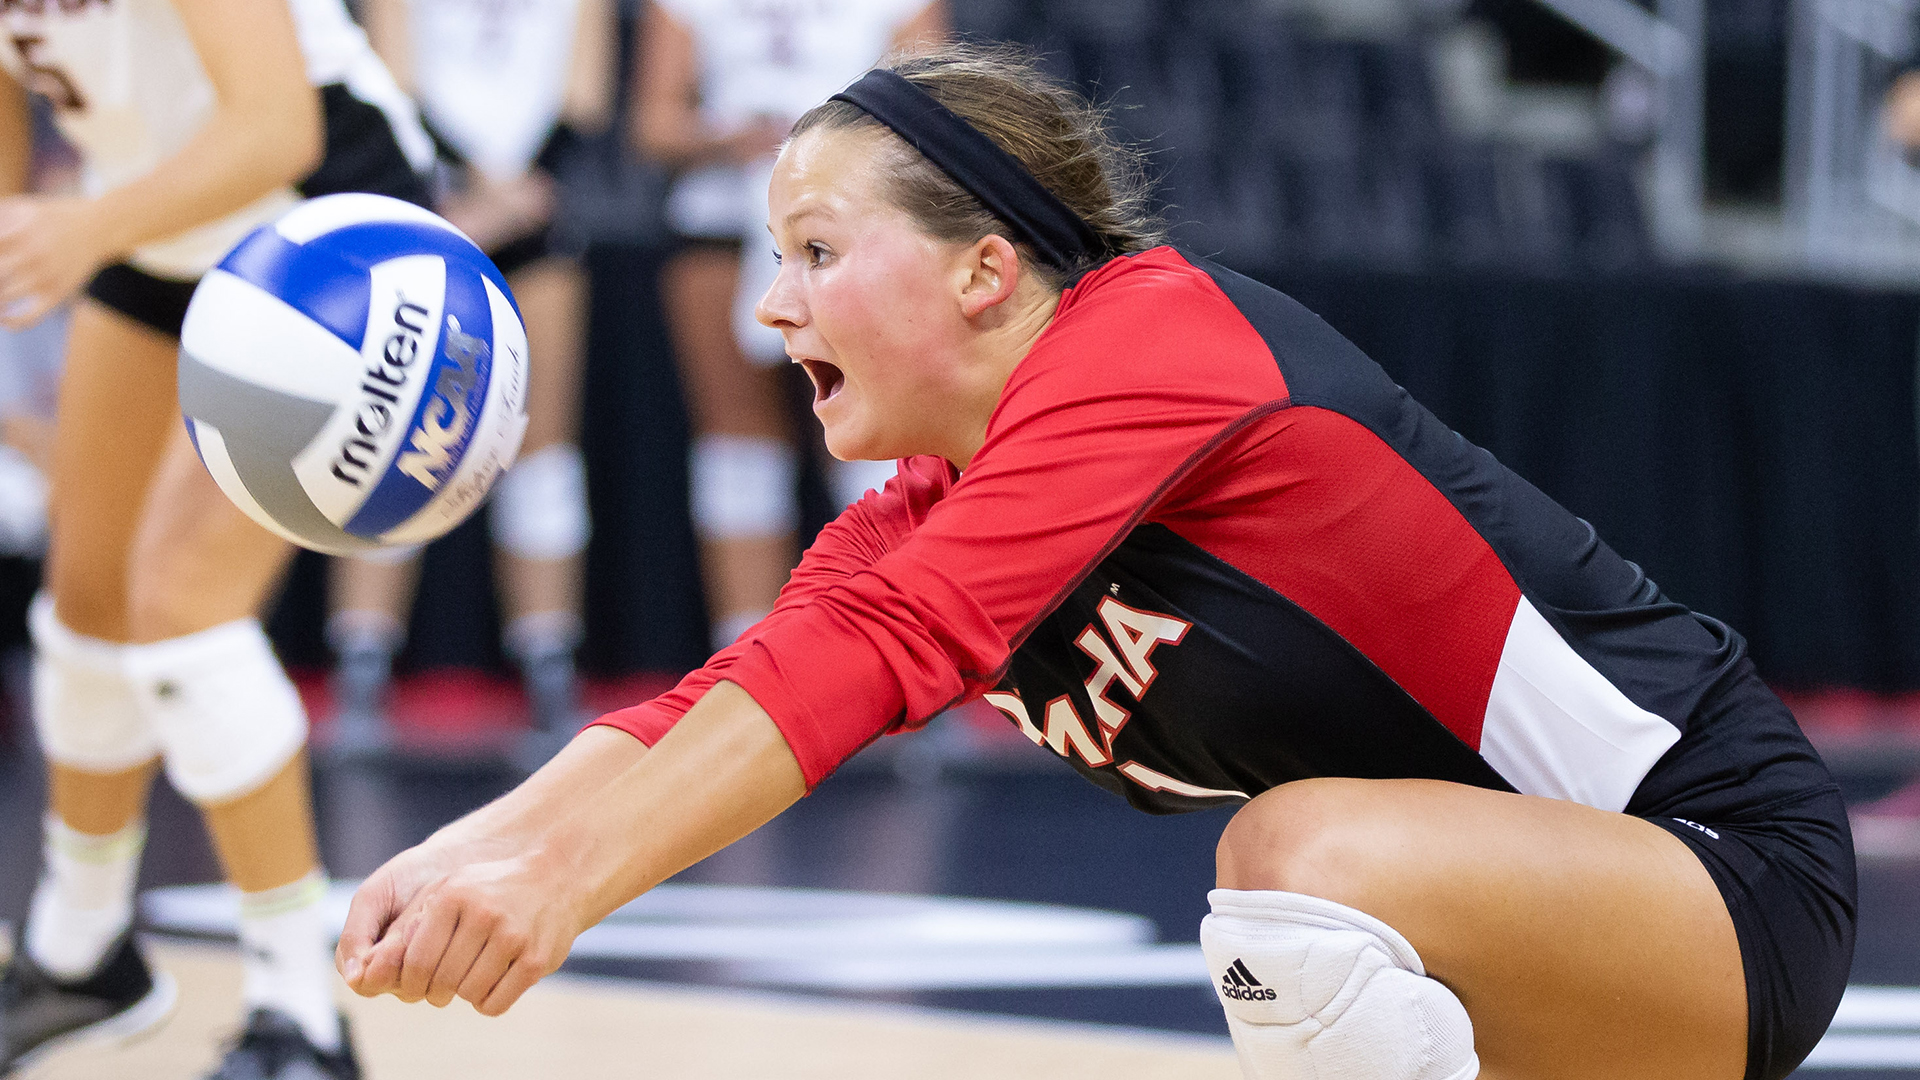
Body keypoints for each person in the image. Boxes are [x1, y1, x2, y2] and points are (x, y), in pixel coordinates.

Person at [333, 44, 1856, 1080]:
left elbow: (893, 641)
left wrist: (563, 889)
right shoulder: (930, 505)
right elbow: (732, 692)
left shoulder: (1154, 336)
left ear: (987, 268)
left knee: (1292, 868)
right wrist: (471, 848)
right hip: (1526, 911)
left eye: (813, 252)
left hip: (1718, 868)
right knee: (1297, 880)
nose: (771, 307)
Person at [0, 0, 433, 1076]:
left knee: (181, 612)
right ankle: (81, 950)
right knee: (85, 606)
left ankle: (304, 1013)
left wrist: (80, 229)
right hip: (160, 226)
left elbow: (276, 127)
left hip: (328, 220)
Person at [330, 0, 616, 761]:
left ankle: (548, 664)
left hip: (534, 218)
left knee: (540, 444)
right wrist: (476, 195)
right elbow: (393, 87)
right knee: (391, 431)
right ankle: (363, 660)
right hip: (432, 208)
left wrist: (514, 197)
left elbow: (583, 102)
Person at [633, 0, 944, 651]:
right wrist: (736, 139)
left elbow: (934, 115)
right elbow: (654, 125)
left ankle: (896, 647)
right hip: (720, 226)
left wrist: (832, 146)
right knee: (740, 448)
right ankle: (745, 653)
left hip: (858, 233)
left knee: (874, 441)